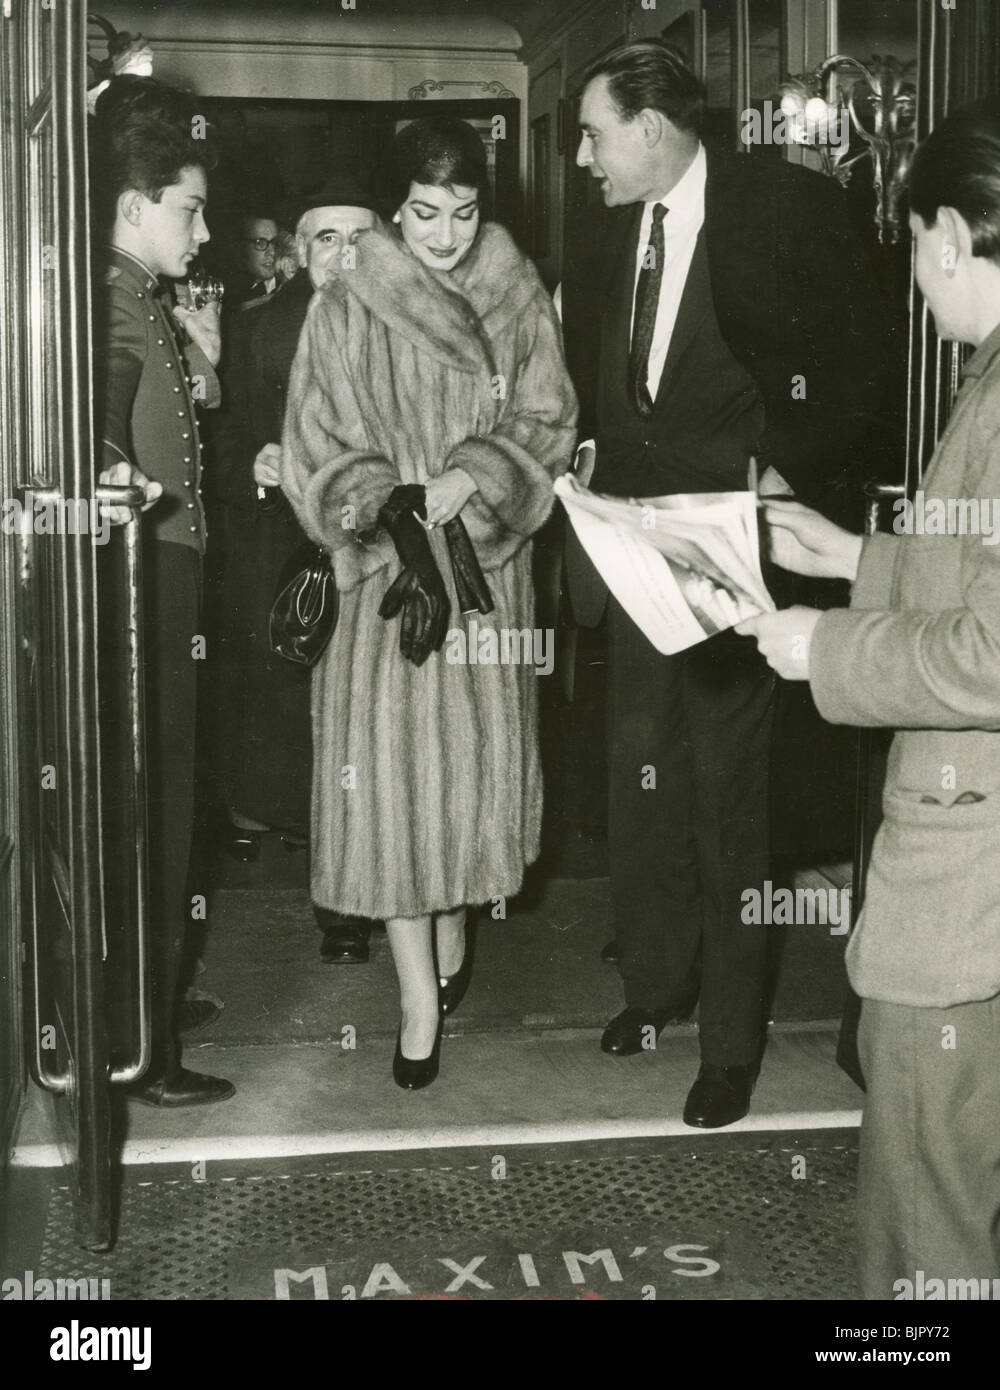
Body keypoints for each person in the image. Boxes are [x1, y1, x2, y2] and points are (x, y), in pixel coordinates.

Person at [560, 40, 882, 1127]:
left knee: (727, 799)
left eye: (596, 134)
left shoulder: (782, 206)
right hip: (630, 545)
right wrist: (595, 459)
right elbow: (608, 377)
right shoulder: (608, 226)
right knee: (638, 778)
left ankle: (730, 1047)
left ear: (651, 128)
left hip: (736, 552)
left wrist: (788, 463)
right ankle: (654, 989)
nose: (583, 158)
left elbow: (858, 363)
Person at [738, 100, 1000, 1297]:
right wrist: (852, 556)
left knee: (928, 1207)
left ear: (948, 232)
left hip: (968, 883)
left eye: (912, 251)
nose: (916, 283)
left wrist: (823, 648)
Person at [281, 116, 577, 1088]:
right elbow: (315, 440)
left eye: (463, 212)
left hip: (483, 593)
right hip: (384, 595)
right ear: (392, 209)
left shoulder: (515, 290)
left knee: (465, 801)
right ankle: (414, 1001)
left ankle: (453, 935)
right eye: (422, 213)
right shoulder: (344, 300)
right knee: (390, 805)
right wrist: (389, 503)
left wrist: (478, 476)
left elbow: (549, 420)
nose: (445, 235)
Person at [91, 76, 234, 1106]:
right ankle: (141, 1040)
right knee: (158, 806)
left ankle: (149, 995)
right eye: (188, 206)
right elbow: (98, 424)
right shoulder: (113, 297)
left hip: (166, 570)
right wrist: (110, 470)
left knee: (168, 798)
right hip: (144, 575)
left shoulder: (136, 293)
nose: (205, 225)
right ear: (135, 205)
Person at [214, 173, 381, 965]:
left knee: (376, 732)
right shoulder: (253, 331)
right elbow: (212, 447)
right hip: (288, 559)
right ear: (297, 247)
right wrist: (255, 461)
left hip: (384, 555)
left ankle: (379, 891)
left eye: (359, 236)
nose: (343, 253)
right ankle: (337, 902)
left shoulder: (409, 325)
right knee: (311, 738)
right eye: (325, 237)